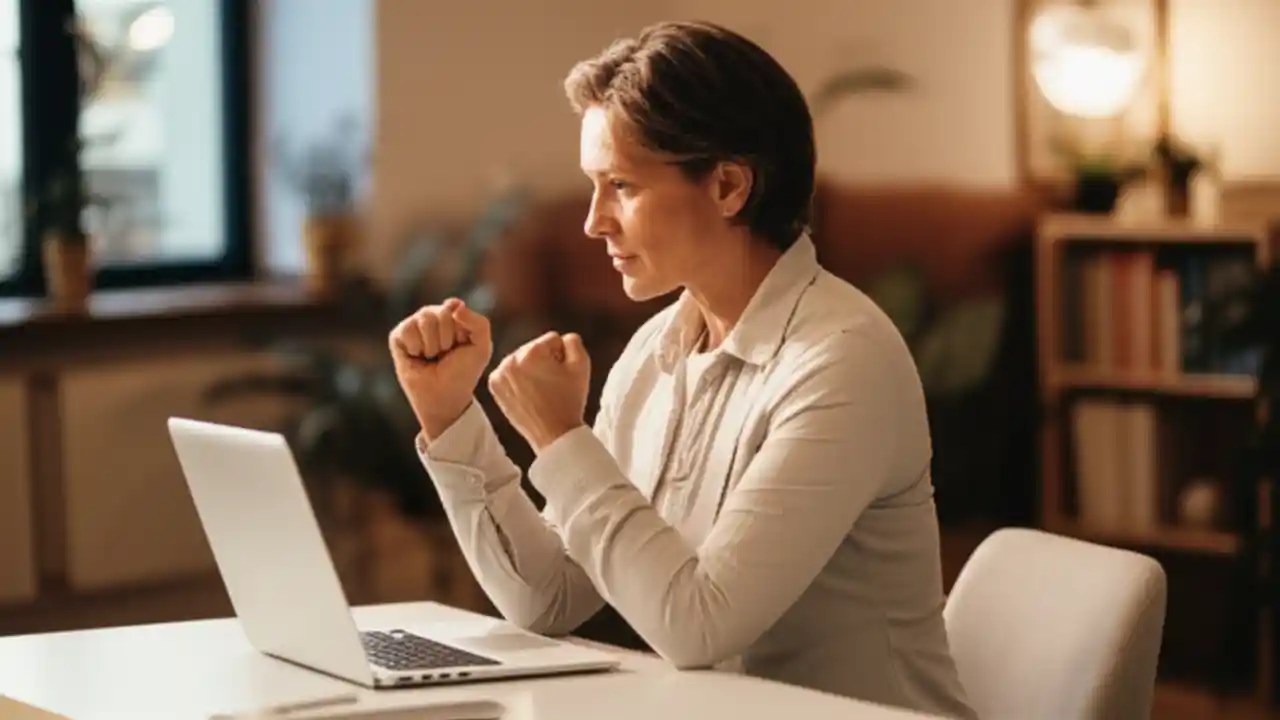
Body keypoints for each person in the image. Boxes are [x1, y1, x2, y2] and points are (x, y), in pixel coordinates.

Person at [389, 20, 975, 719]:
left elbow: (698, 626)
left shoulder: (843, 362)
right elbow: (549, 597)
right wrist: (451, 418)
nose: (593, 222)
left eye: (621, 187)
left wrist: (560, 438)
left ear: (729, 186)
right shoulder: (655, 351)